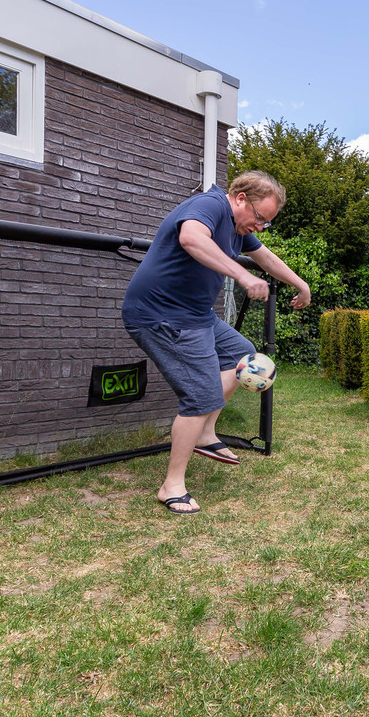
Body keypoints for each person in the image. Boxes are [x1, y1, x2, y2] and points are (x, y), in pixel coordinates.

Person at [122, 171, 311, 515]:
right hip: (161, 314)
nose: (260, 227)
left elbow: (266, 258)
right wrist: (242, 275)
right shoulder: (209, 205)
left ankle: (206, 434)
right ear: (240, 198)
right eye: (260, 218)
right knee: (200, 395)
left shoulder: (240, 228)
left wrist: (302, 285)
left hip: (195, 315)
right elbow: (191, 238)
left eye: (266, 223)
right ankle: (172, 486)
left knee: (242, 355)